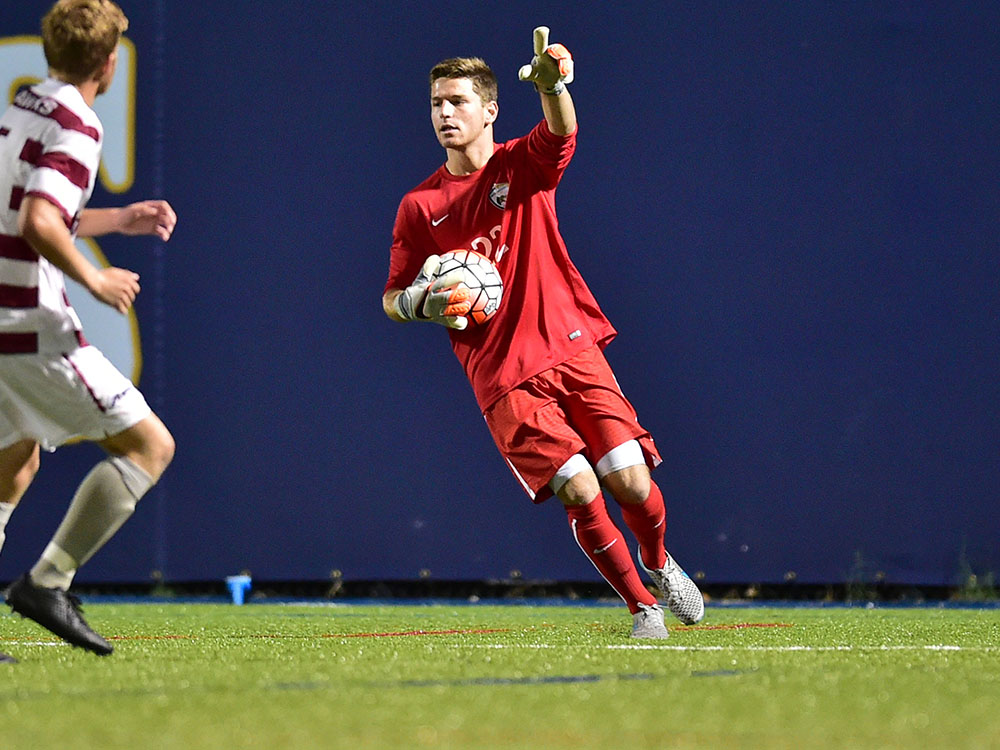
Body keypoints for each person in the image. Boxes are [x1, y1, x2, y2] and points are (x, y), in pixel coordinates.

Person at [383, 27, 704, 638]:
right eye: (436, 103)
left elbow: (561, 131)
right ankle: (643, 608)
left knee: (630, 480)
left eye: (458, 102)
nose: (445, 114)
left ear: (490, 110)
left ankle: (658, 562)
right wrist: (418, 304)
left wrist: (553, 88)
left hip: (569, 347)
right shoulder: (419, 206)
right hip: (502, 378)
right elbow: (392, 297)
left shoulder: (519, 166)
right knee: (579, 490)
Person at [0, 0, 176, 662]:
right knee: (149, 447)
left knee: (14, 464)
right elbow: (39, 220)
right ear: (107, 63)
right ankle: (47, 583)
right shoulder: (78, 122)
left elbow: (28, 206)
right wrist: (96, 280)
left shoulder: (25, 105)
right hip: (29, 324)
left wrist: (117, 219)